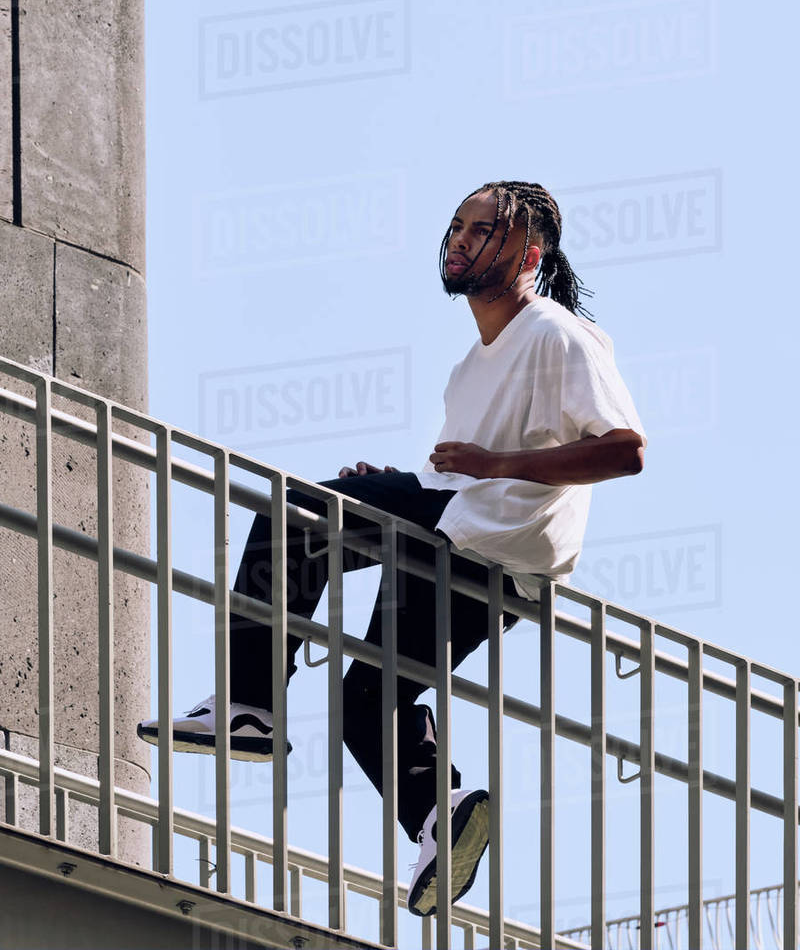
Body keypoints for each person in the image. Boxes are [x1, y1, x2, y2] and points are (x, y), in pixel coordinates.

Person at [138, 179, 646, 916]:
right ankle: (442, 816)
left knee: (296, 513)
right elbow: (462, 470)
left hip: (482, 535)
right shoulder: (470, 368)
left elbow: (624, 451)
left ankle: (249, 704)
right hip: (484, 556)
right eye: (458, 227)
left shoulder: (554, 336)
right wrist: (404, 480)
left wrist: (489, 468)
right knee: (369, 696)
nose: (463, 241)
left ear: (528, 256)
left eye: (485, 231)